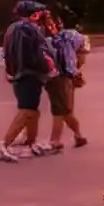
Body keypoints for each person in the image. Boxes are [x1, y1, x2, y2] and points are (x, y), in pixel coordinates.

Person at [0, 1, 53, 161]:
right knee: (26, 111)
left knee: (33, 111)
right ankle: (5, 144)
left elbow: (7, 52)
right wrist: (47, 68)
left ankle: (31, 143)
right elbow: (36, 54)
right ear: (33, 14)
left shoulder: (13, 28)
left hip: (20, 74)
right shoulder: (28, 29)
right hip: (29, 74)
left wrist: (11, 71)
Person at [45, 13, 90, 151]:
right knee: (65, 110)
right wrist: (76, 69)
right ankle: (77, 135)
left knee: (60, 111)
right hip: (67, 76)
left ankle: (55, 140)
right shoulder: (72, 36)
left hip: (58, 76)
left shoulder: (52, 39)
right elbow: (83, 51)